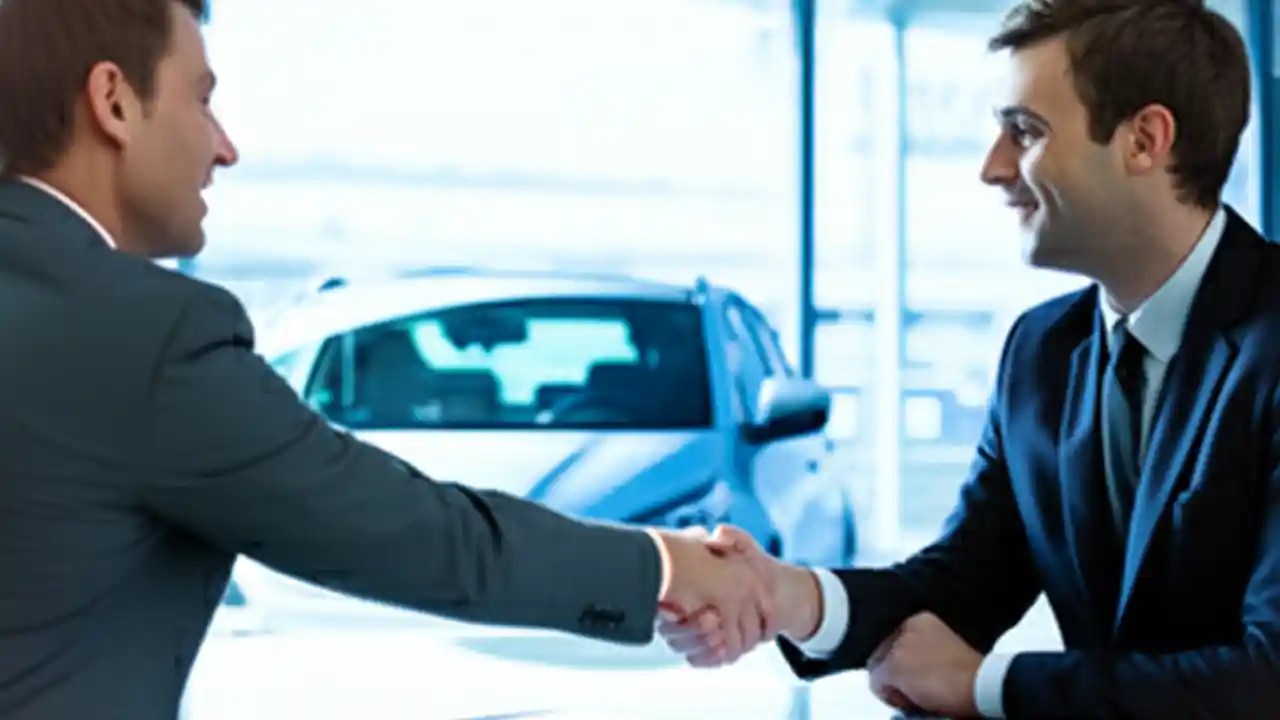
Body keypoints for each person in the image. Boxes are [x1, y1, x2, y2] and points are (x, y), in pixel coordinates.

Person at [0, 1, 777, 717]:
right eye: (202, 99)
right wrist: (664, 569)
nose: (224, 146)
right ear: (112, 102)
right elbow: (418, 539)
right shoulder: (147, 336)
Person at [662, 0, 1280, 717]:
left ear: (1144, 140)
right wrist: (784, 595)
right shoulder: (1043, 351)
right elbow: (965, 584)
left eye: (1025, 132)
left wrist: (985, 684)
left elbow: (1268, 676)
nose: (993, 168)